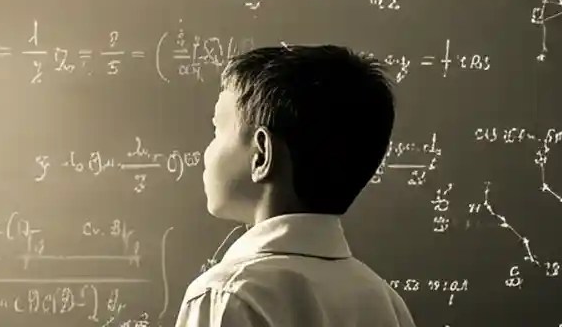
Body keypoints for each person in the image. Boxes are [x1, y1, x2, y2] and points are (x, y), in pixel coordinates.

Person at [175, 45, 417, 327]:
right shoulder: (384, 301)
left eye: (217, 130)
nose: (207, 150)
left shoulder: (227, 295)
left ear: (261, 155)